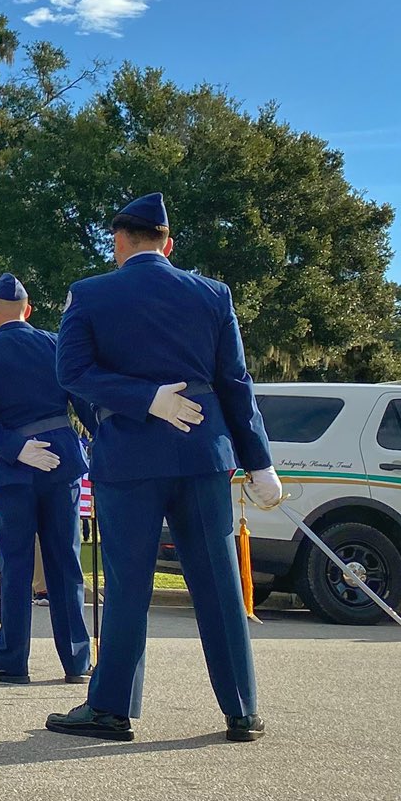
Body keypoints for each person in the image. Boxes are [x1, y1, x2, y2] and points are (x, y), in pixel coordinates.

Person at [47, 193, 282, 744]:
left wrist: (145, 400)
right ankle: (242, 708)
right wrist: (259, 461)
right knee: (219, 582)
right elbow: (236, 384)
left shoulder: (90, 293)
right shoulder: (213, 294)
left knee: (129, 584)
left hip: (129, 456)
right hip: (203, 454)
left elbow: (72, 372)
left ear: (119, 242)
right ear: (168, 244)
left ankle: (111, 708)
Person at [0, 274, 92, 686]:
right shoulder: (55, 344)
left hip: (13, 467)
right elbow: (83, 400)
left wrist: (13, 447)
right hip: (61, 460)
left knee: (16, 563)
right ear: (28, 310)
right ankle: (76, 660)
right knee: (65, 561)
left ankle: (12, 659)